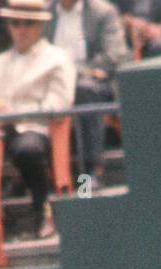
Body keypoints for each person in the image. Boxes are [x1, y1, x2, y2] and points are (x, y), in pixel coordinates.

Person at [0, 0, 72, 239]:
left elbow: (59, 104)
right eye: (15, 23)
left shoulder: (56, 58)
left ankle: (43, 209)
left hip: (36, 127)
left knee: (27, 148)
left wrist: (16, 112)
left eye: (28, 23)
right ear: (8, 26)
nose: (21, 29)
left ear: (40, 26)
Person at [46, 0, 122, 189]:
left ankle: (90, 174)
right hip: (51, 85)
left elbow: (114, 55)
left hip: (93, 85)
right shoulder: (44, 15)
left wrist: (74, 74)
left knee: (83, 90)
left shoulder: (103, 12)